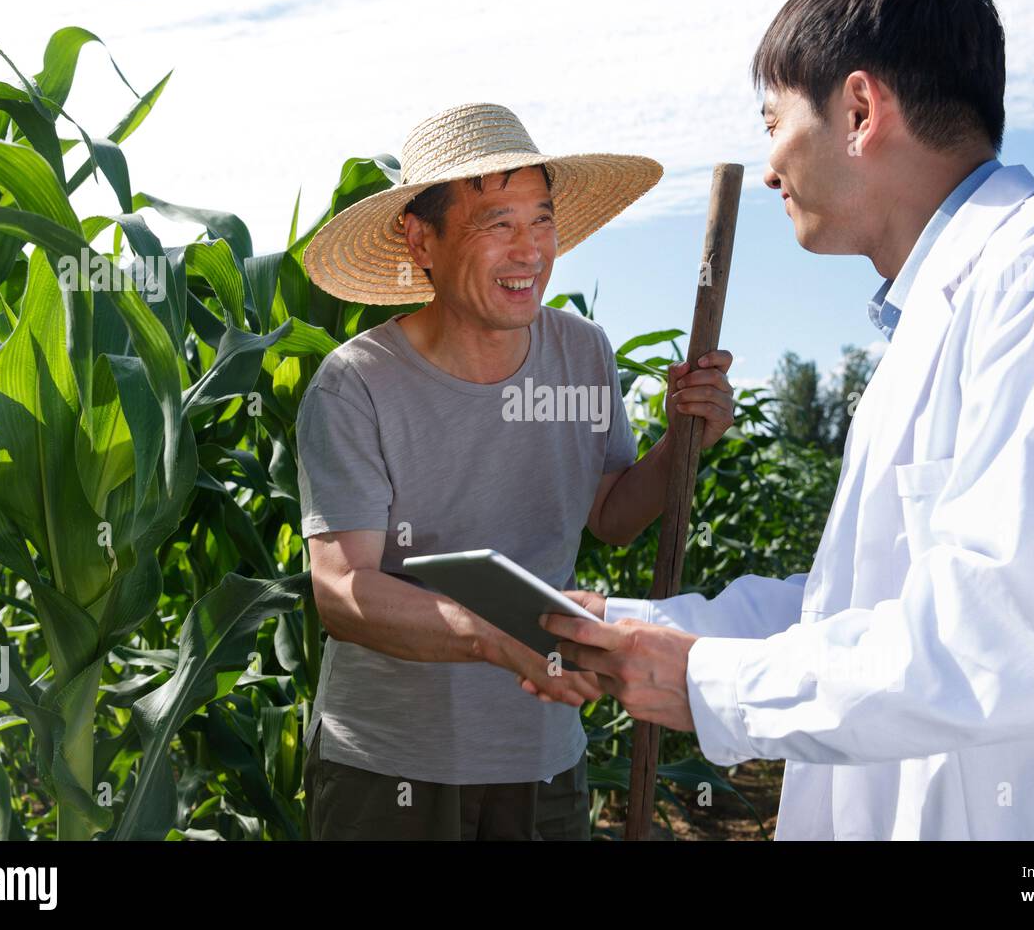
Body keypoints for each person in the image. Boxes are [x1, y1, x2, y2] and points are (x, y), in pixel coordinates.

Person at [533, 0, 1034, 839]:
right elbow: (856, 607)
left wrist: (706, 682)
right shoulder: (941, 314)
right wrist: (637, 628)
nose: (770, 164)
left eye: (775, 122)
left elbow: (1022, 640)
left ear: (858, 110)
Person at [296, 103, 735, 839]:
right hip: (390, 768)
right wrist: (500, 637)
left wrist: (683, 444)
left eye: (542, 220)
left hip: (542, 759)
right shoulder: (357, 385)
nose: (529, 250)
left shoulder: (583, 355)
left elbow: (615, 516)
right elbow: (343, 591)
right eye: (497, 223)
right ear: (422, 238)